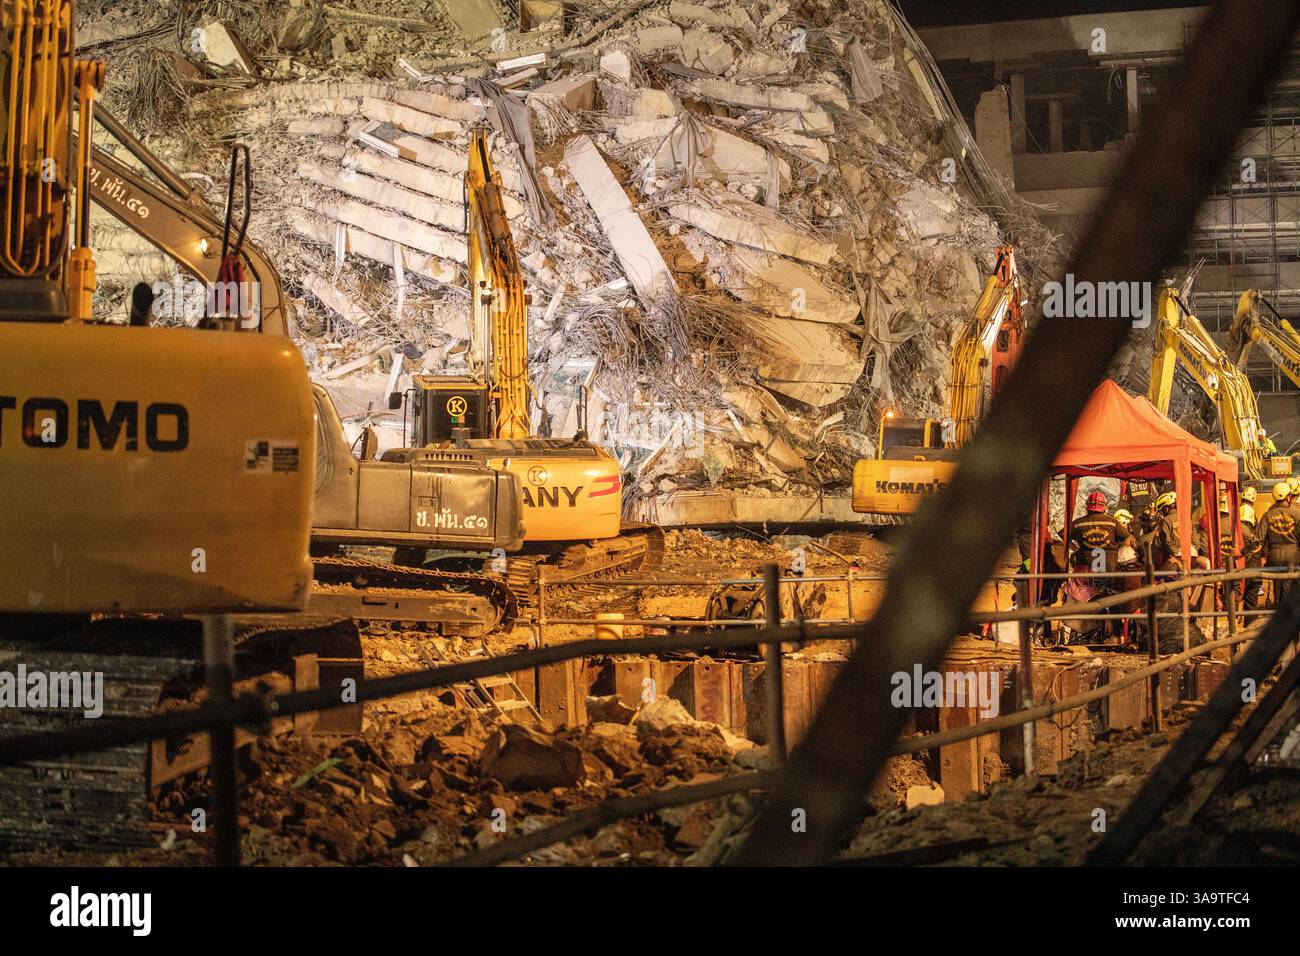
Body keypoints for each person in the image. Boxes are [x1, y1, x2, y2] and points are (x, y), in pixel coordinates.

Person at [1070, 491, 1132, 583]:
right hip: (1110, 564)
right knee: (1112, 592)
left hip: (1086, 565)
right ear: (1104, 507)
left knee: (1087, 592)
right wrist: (1120, 551)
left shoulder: (1078, 523)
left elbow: (1063, 534)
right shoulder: (1112, 522)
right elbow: (1128, 538)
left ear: (1087, 507)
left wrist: (1075, 549)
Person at [1261, 481, 1300, 606]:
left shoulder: (1268, 514)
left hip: (1274, 554)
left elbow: (1260, 537)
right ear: (1288, 496)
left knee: (1277, 586)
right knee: (1289, 585)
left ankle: (1278, 612)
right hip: (1293, 554)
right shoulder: (1297, 514)